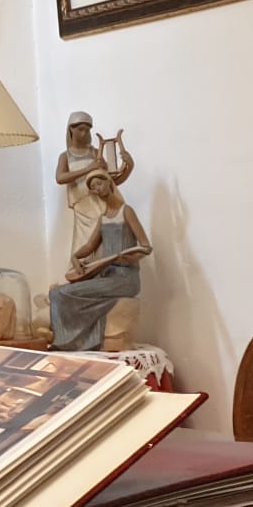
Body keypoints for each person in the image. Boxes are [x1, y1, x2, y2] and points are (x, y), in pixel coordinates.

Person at [49, 172, 152, 351]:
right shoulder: (102, 217)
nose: (96, 189)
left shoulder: (126, 211)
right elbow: (89, 245)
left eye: (98, 184)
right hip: (107, 274)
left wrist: (130, 257)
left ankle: (70, 342)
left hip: (125, 279)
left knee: (62, 293)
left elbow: (145, 246)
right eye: (93, 187)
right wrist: (75, 257)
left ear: (108, 182)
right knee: (57, 293)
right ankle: (70, 340)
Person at [54, 111, 132, 256]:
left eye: (87, 130)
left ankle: (105, 268)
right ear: (71, 129)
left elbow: (111, 182)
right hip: (83, 207)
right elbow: (60, 178)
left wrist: (129, 167)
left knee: (105, 240)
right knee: (84, 243)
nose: (84, 133)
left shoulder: (95, 153)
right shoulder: (66, 156)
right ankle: (83, 269)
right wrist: (87, 169)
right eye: (80, 129)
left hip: (100, 202)